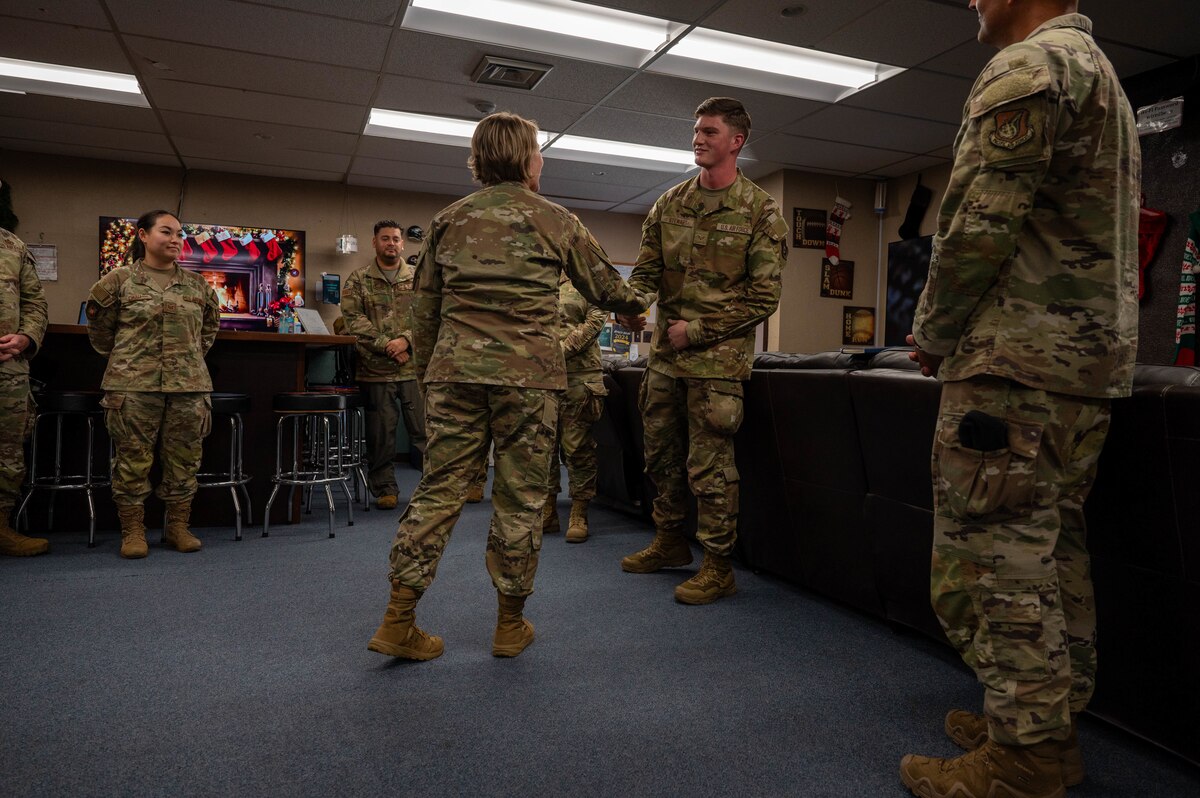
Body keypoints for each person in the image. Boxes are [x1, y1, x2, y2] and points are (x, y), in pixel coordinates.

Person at [900, 2, 1140, 796]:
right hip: (1078, 374)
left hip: (1015, 363)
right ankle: (1043, 728)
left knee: (991, 564)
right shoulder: (1101, 76)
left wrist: (931, 331)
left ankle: (1024, 760)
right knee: (1050, 559)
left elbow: (979, 225)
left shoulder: (1029, 66)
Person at [367, 111, 650, 661]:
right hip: (529, 378)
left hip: (455, 375)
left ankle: (399, 620)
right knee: (520, 496)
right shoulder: (555, 219)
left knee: (439, 490)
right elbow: (611, 290)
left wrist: (433, 370)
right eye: (539, 150)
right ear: (525, 158)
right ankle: (508, 625)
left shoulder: (449, 220)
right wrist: (643, 299)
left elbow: (422, 310)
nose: (541, 159)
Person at [615, 97, 788, 605]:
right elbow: (645, 273)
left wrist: (700, 330)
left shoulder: (760, 211)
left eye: (710, 132)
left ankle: (717, 565)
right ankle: (670, 543)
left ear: (736, 142)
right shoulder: (669, 204)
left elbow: (764, 297)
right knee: (661, 457)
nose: (698, 138)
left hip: (716, 365)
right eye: (696, 130)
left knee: (710, 467)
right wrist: (631, 305)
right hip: (665, 361)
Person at [87, 210, 221, 559]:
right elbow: (101, 334)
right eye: (166, 231)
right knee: (132, 462)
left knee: (185, 460)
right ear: (143, 236)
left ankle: (177, 527)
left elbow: (207, 332)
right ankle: (133, 531)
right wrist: (132, 360)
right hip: (133, 386)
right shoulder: (117, 282)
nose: (176, 239)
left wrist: (183, 360)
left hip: (188, 386)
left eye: (180, 233)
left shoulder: (198, 286)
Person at [339, 220, 427, 509]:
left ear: (403, 244)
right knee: (381, 436)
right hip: (375, 371)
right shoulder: (358, 279)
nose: (391, 243)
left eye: (396, 239)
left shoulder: (418, 277)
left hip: (414, 370)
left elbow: (429, 314)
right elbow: (353, 321)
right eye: (385, 238)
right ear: (374, 242)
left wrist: (405, 341)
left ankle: (435, 489)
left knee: (426, 432)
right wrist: (388, 346)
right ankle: (385, 489)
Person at [543, 273, 610, 543]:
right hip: (543, 376)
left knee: (577, 447)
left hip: (580, 375)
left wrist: (561, 349)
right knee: (543, 447)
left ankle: (579, 512)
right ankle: (547, 510)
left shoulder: (588, 282)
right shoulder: (540, 280)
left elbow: (596, 320)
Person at [0, 226, 49, 556]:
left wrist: (27, 337)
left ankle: (1, 527)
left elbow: (35, 303)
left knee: (8, 453)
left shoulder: (12, 245)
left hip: (9, 368)